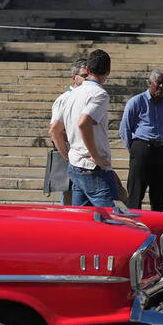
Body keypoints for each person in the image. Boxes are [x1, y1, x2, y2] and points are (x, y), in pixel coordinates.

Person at [60, 50, 119, 208]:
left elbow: (57, 128)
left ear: (87, 69)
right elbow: (83, 122)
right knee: (114, 216)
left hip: (75, 164)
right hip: (93, 167)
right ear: (108, 72)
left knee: (82, 217)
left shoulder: (72, 94)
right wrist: (95, 156)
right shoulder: (100, 94)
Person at [121, 69, 163, 211]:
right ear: (150, 83)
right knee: (135, 194)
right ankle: (133, 223)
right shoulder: (136, 101)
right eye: (159, 83)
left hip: (160, 149)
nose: (162, 86)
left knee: (159, 195)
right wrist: (134, 149)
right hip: (141, 148)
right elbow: (125, 128)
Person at [47, 60, 89, 206]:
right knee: (69, 200)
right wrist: (68, 156)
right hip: (71, 156)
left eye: (89, 76)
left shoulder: (89, 96)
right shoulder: (64, 99)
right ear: (74, 77)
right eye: (84, 76)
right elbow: (55, 131)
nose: (87, 80)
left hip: (87, 159)